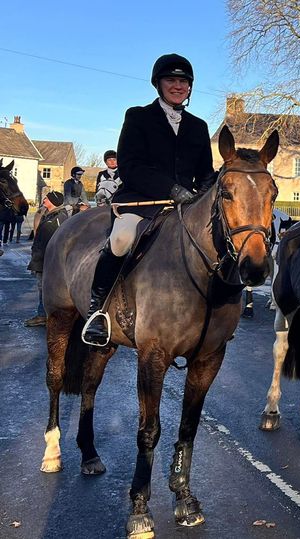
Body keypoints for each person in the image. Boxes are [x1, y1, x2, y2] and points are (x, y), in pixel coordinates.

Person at [82, 53, 215, 346]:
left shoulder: (199, 126)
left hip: (185, 207)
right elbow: (131, 166)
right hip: (141, 203)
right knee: (121, 239)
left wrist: (208, 193)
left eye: (183, 81)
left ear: (190, 87)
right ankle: (97, 311)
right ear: (158, 84)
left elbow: (205, 174)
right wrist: (171, 190)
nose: (178, 86)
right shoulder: (138, 117)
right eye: (171, 80)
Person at [25, 192, 69, 327]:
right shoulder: (48, 215)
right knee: (42, 288)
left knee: (45, 288)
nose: (44, 200)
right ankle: (45, 315)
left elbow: (60, 240)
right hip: (41, 257)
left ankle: (45, 316)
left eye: (47, 198)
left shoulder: (59, 217)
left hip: (48, 259)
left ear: (53, 201)